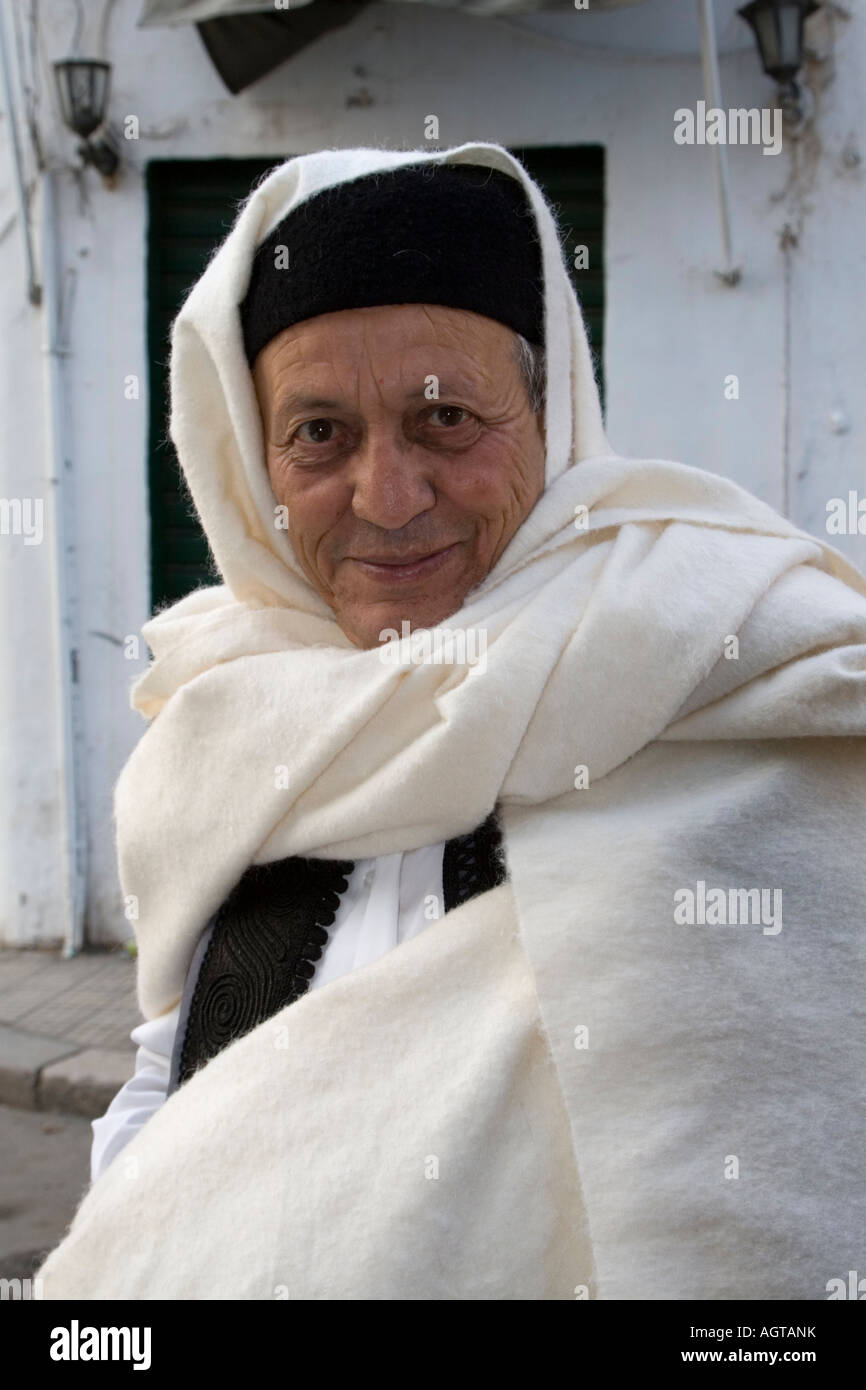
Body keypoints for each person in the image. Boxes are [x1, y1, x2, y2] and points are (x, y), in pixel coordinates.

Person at [39, 142, 866, 1300]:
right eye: (318, 433)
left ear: (548, 411)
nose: (386, 497)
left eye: (445, 419)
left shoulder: (731, 670)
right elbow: (169, 1071)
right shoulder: (231, 716)